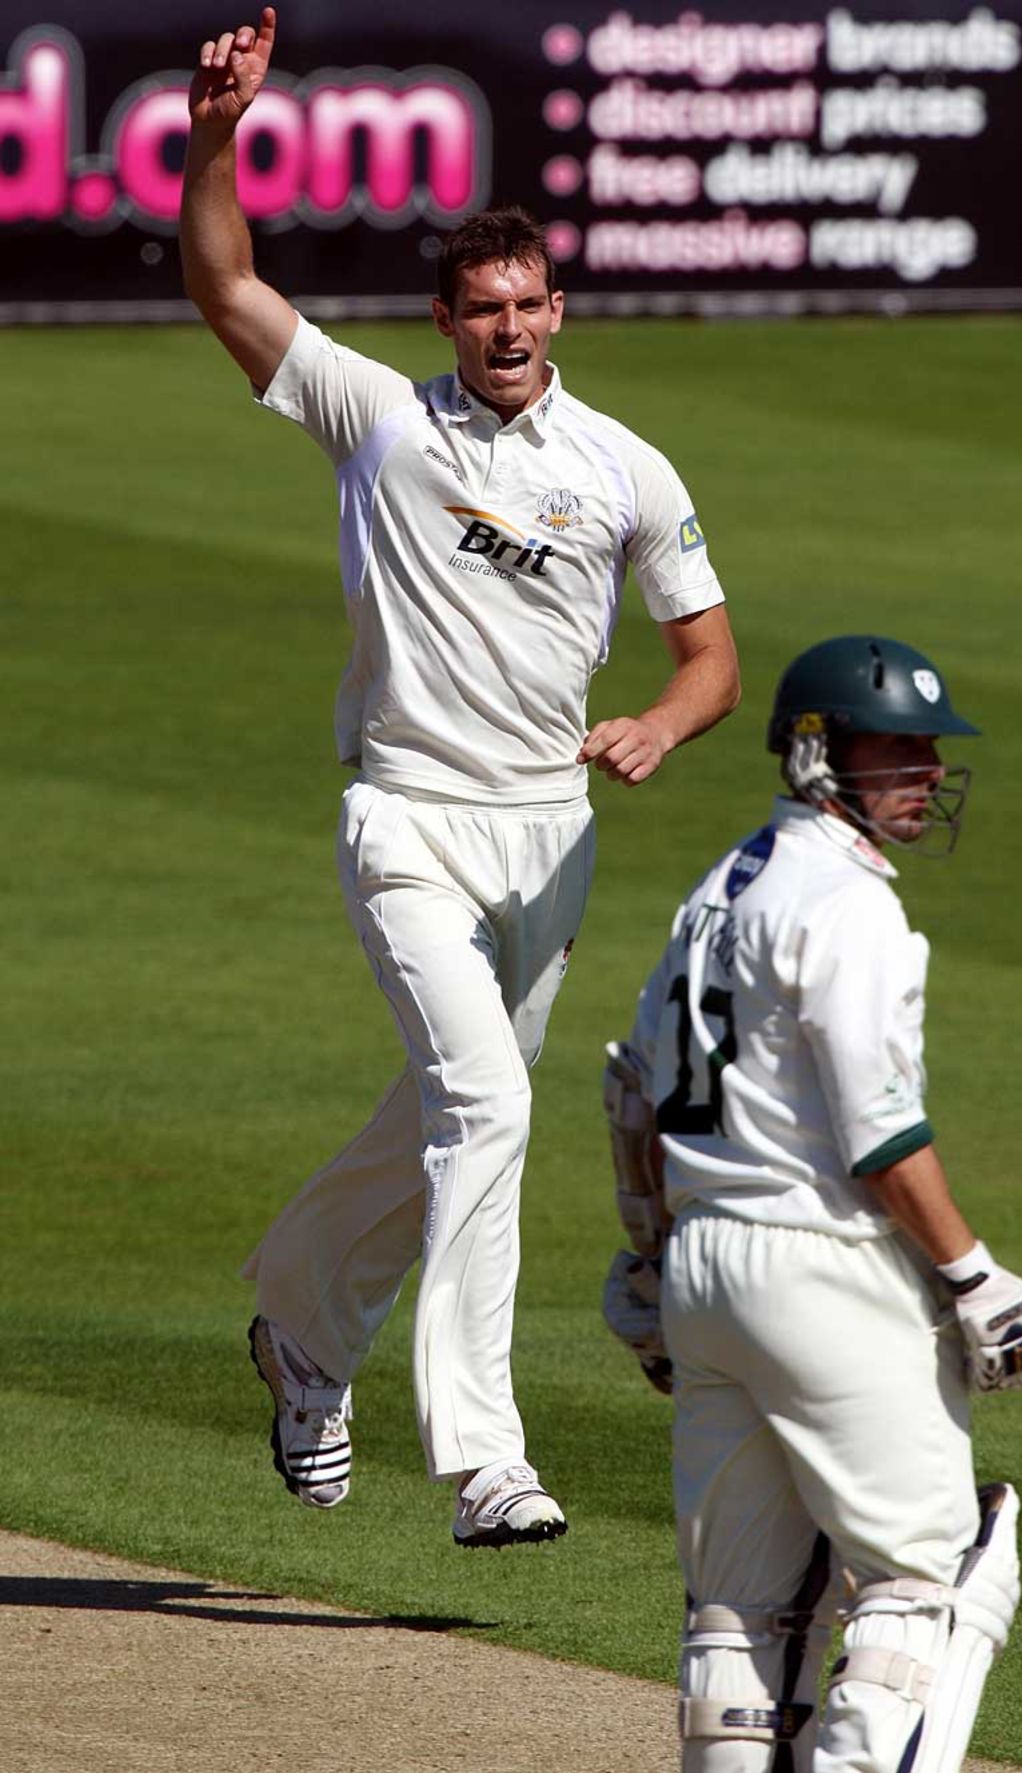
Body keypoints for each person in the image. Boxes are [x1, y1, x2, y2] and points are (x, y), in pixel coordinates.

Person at [180, 7, 740, 1547]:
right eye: (481, 308)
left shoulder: (625, 468)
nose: (507, 330)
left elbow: (711, 655)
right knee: (487, 1108)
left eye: (528, 305)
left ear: (560, 310)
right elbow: (224, 283)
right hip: (409, 819)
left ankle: (301, 1331)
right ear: (443, 317)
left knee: (442, 1118)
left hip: (550, 840)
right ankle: (486, 1458)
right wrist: (217, 135)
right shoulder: (376, 420)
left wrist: (662, 724)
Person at [601, 635, 1022, 1770]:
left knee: (741, 1611)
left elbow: (631, 1091)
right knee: (933, 1582)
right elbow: (880, 1138)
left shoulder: (720, 887)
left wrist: (651, 1260)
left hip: (707, 1273)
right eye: (896, 748)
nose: (925, 771)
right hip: (821, 1266)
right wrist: (975, 1278)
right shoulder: (848, 905)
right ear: (817, 753)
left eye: (929, 749)